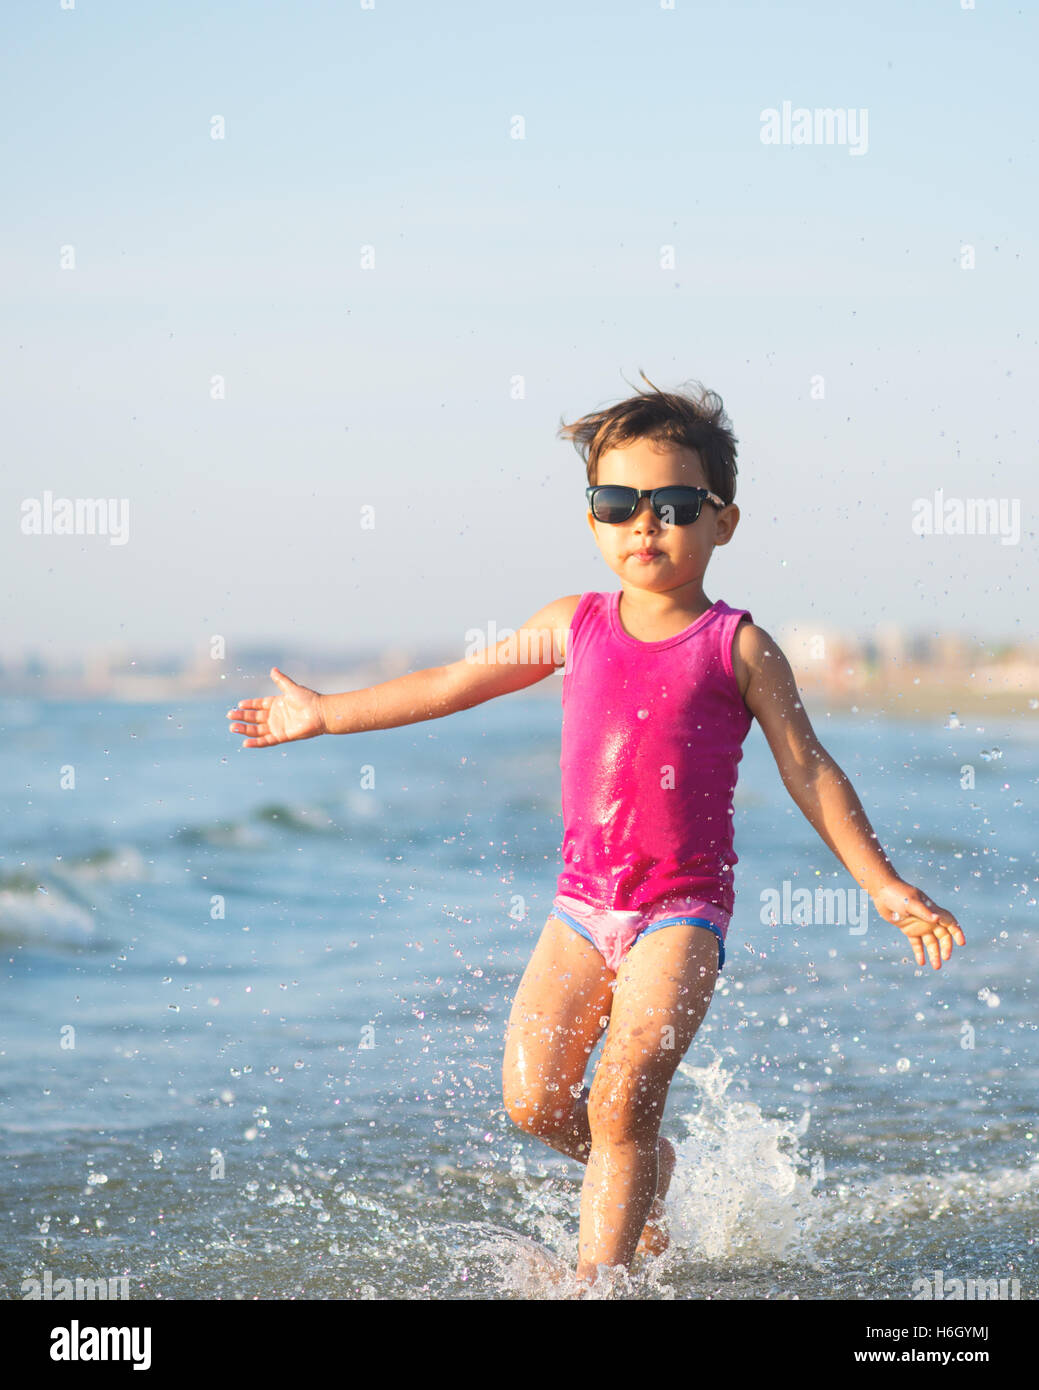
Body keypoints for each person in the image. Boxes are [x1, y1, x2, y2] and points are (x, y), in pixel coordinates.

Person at [226, 373, 966, 1287]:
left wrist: (883, 885)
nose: (643, 524)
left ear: (721, 521)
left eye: (672, 504)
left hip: (681, 914)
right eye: (617, 504)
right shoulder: (570, 626)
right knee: (536, 1102)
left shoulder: (736, 646)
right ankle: (644, 1170)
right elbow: (454, 684)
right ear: (591, 522)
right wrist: (328, 715)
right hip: (580, 910)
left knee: (621, 1096)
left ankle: (596, 1281)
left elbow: (808, 769)